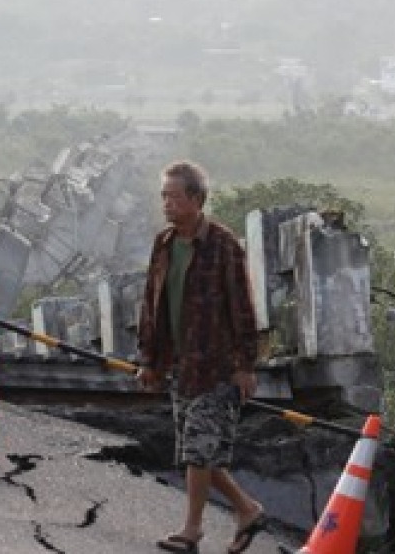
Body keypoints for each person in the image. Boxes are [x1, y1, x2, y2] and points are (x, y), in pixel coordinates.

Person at [136, 161, 267, 554]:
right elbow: (151, 305)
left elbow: (242, 305)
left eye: (174, 197)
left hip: (218, 368)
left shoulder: (222, 244)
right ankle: (248, 510)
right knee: (199, 452)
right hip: (181, 366)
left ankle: (191, 531)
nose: (166, 204)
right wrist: (149, 359)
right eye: (163, 197)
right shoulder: (162, 244)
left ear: (196, 199)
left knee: (197, 449)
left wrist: (246, 365)